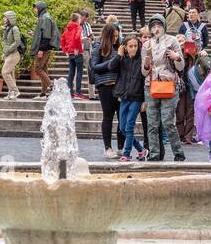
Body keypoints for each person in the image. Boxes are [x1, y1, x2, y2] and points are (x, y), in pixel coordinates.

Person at [141, 15, 185, 162]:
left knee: (167, 122)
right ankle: (154, 155)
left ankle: (178, 153)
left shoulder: (172, 41)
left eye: (159, 25)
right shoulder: (146, 45)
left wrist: (176, 57)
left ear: (164, 26)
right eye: (153, 26)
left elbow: (181, 67)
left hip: (169, 84)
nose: (156, 28)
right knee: (152, 124)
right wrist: (146, 65)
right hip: (151, 85)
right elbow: (143, 72)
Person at [90, 23, 122, 157]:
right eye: (113, 36)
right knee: (108, 117)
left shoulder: (119, 47)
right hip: (106, 86)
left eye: (117, 36)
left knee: (122, 118)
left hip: (120, 86)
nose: (115, 39)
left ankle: (121, 147)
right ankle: (107, 148)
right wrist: (112, 62)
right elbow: (95, 66)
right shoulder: (99, 46)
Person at [114, 34, 148, 162]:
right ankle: (140, 149)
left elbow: (145, 79)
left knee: (129, 126)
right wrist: (119, 54)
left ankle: (127, 153)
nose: (133, 48)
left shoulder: (142, 60)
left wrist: (145, 100)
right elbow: (111, 67)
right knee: (122, 128)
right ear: (125, 47)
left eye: (135, 46)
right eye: (130, 46)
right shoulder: (122, 60)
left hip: (137, 97)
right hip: (124, 97)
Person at [29, 1, 59, 93]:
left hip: (43, 48)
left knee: (38, 69)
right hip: (45, 48)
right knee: (44, 69)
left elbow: (46, 36)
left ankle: (51, 86)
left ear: (39, 8)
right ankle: (43, 93)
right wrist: (34, 34)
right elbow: (43, 33)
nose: (34, 10)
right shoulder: (44, 17)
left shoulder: (45, 18)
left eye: (35, 8)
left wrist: (41, 49)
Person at [61, 14, 85, 100]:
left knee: (71, 73)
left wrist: (65, 50)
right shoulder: (78, 27)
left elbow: (62, 39)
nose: (80, 20)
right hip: (77, 53)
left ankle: (70, 93)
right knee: (79, 72)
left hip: (70, 53)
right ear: (77, 19)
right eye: (80, 18)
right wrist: (76, 48)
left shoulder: (68, 28)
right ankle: (78, 92)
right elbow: (77, 37)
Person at [0, 11, 23, 100]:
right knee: (10, 74)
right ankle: (11, 93)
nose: (3, 19)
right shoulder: (7, 28)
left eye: (5, 17)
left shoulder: (15, 28)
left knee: (5, 72)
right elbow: (6, 42)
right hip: (8, 54)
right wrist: (4, 53)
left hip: (13, 54)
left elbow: (17, 42)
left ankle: (15, 91)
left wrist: (8, 50)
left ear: (10, 18)